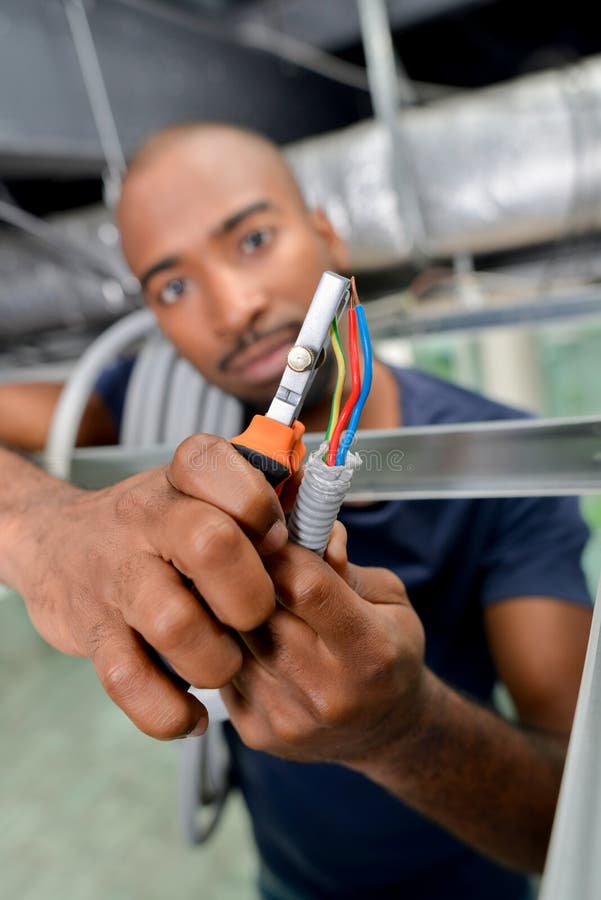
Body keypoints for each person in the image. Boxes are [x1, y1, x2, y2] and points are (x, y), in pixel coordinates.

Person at [0, 122, 593, 899]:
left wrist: (403, 731)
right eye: (173, 287)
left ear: (326, 235)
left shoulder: (499, 466)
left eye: (252, 240)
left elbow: (568, 822)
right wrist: (41, 528)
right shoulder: (137, 403)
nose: (234, 308)